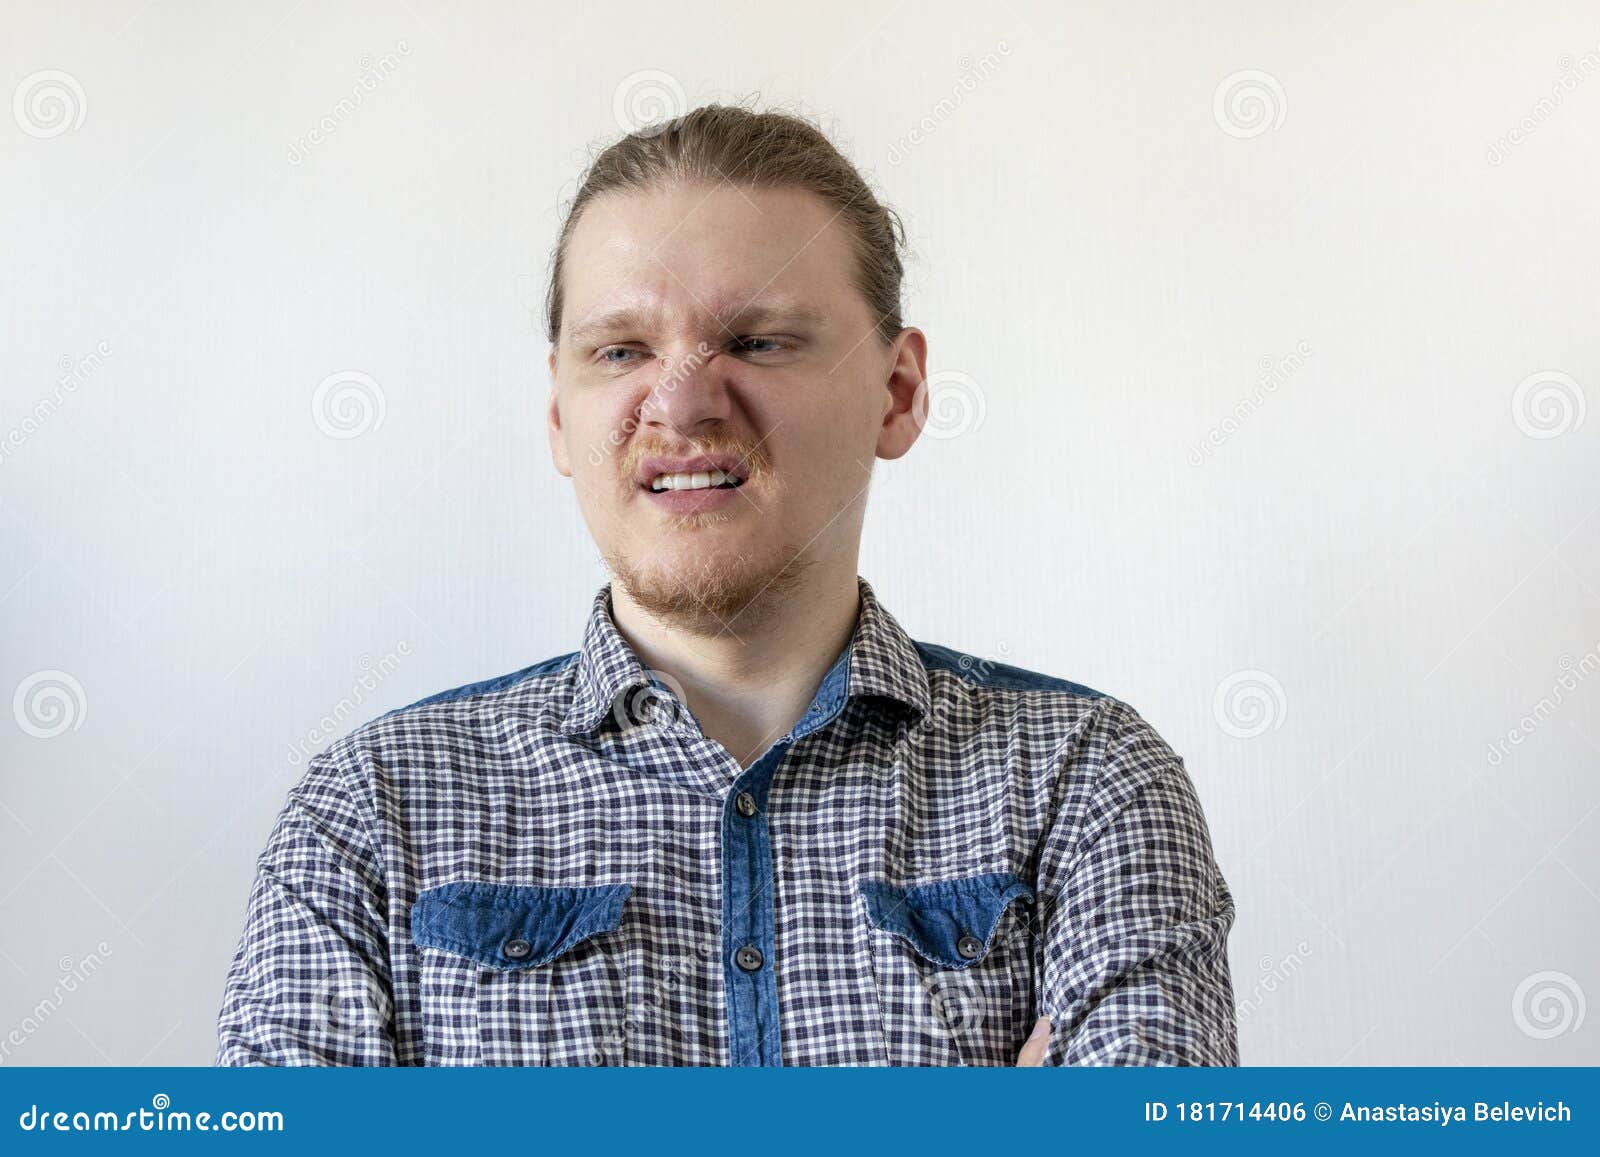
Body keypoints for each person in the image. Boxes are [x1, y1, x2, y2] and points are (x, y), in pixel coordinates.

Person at [215, 102, 1238, 1067]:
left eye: (756, 341)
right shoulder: (372, 812)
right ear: (558, 415)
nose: (681, 402)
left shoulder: (1087, 785)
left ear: (898, 391)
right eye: (620, 348)